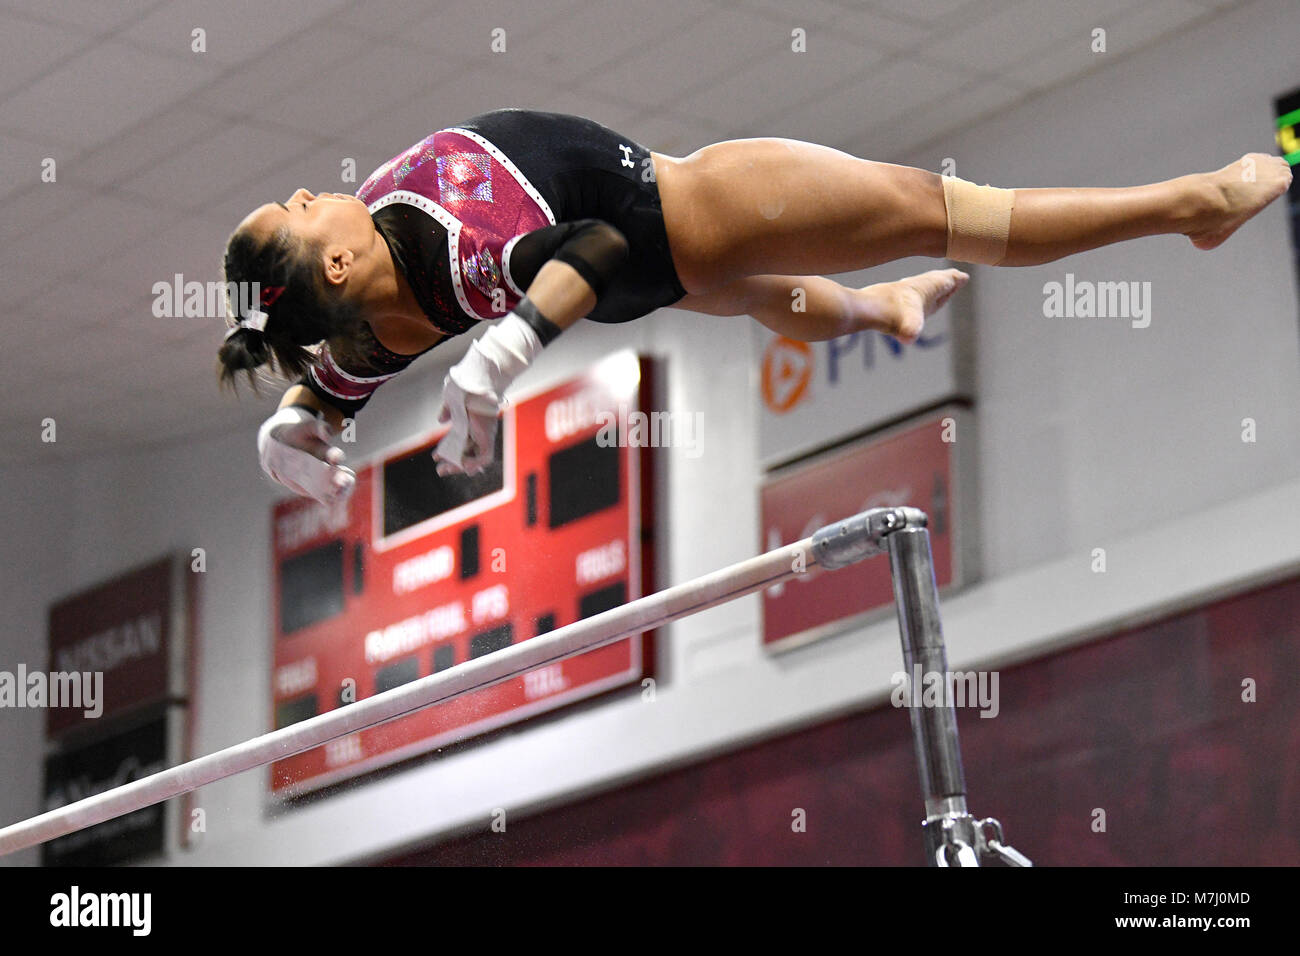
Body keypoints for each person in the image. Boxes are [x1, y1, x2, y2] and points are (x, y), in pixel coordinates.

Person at [216, 108, 1291, 504]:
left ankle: (890, 312)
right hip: (673, 238)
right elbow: (333, 387)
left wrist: (489, 364)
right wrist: (296, 424)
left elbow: (589, 247)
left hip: (670, 224)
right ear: (338, 275)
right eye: (301, 211)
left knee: (788, 283)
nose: (316, 192)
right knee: (942, 209)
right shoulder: (377, 310)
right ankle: (1192, 206)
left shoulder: (447, 206)